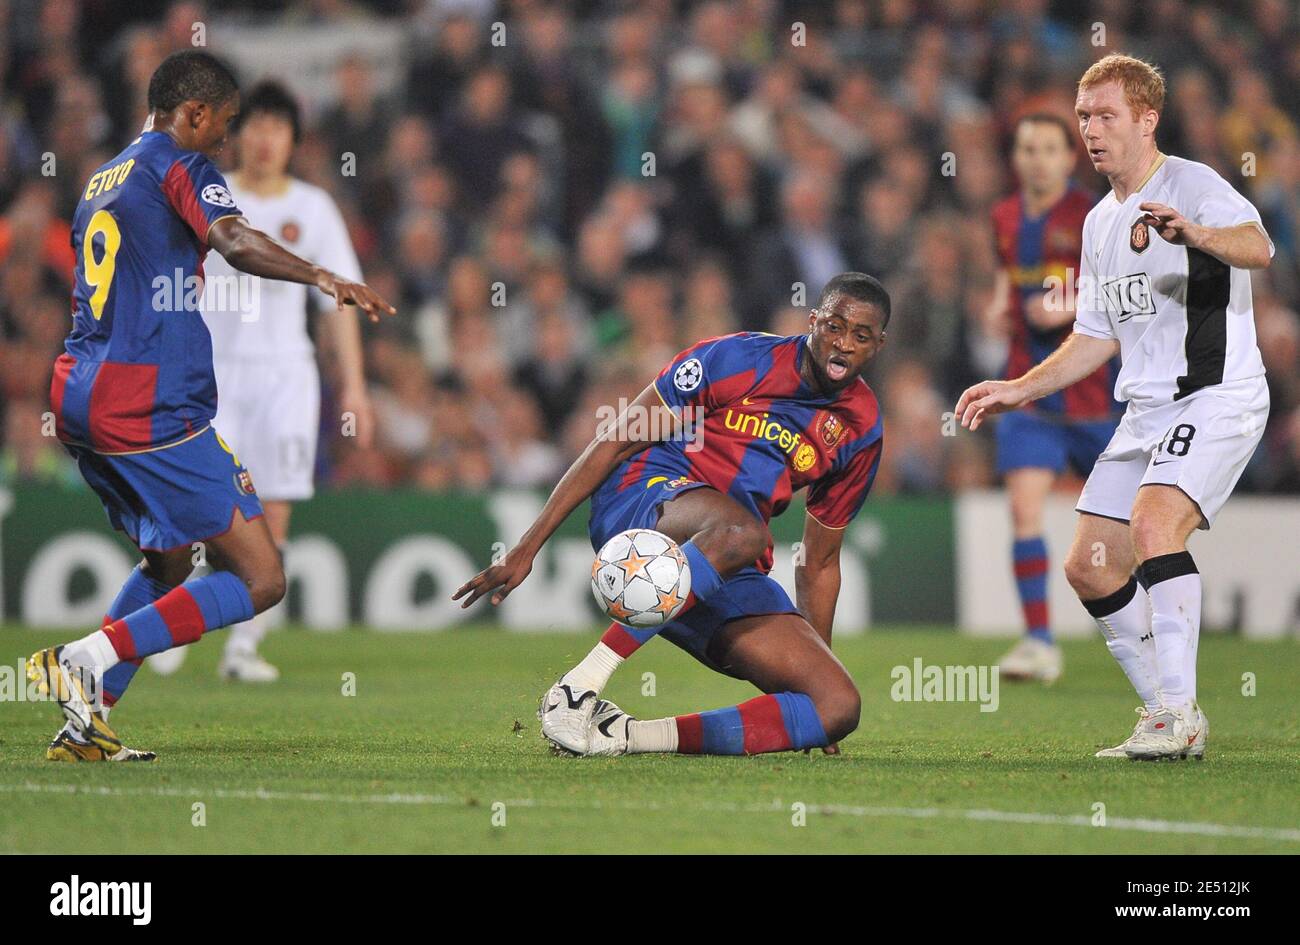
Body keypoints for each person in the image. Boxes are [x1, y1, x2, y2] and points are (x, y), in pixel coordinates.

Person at [28, 51, 394, 762]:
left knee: (168, 562)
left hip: (79, 393)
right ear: (192, 114)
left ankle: (86, 725)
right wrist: (319, 274)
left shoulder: (101, 179)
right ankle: (87, 655)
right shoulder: (183, 165)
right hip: (149, 407)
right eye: (222, 128)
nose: (224, 145)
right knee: (260, 577)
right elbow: (232, 240)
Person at [956, 55, 1274, 761]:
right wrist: (1019, 388)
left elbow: (1260, 246)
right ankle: (1164, 708)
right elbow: (1094, 337)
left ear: (1146, 119)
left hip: (1216, 394)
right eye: (1084, 116)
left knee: (1155, 523)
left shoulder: (1193, 184)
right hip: (1145, 412)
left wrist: (1198, 235)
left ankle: (1179, 713)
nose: (1091, 130)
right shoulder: (1102, 223)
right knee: (1092, 565)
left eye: (1105, 116)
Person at [455, 272, 887, 758]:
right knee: (742, 532)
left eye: (861, 336)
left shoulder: (861, 428)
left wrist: (811, 671)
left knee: (834, 706)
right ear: (813, 321)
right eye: (833, 326)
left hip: (724, 558)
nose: (843, 343)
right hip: (643, 496)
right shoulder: (735, 358)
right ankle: (579, 686)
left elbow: (820, 560)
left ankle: (621, 736)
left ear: (878, 346)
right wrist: (527, 547)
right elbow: (617, 440)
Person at [195, 80, 371, 683]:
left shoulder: (314, 207)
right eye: (255, 125)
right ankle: (170, 621)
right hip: (211, 372)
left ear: (294, 140)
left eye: (279, 127)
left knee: (273, 508)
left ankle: (244, 645)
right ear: (236, 133)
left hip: (285, 375)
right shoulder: (205, 194)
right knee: (202, 503)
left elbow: (339, 302)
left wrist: (354, 389)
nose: (265, 138)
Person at [985, 112, 1117, 683]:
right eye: (1025, 148)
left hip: (1095, 395)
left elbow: (1120, 284)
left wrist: (1070, 304)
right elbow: (1007, 275)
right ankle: (1039, 642)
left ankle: (1148, 629)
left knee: (1127, 530)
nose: (1035, 158)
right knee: (1024, 511)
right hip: (1027, 390)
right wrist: (996, 303)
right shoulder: (1005, 215)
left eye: (1047, 148)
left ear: (1070, 158)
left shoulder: (1096, 214)